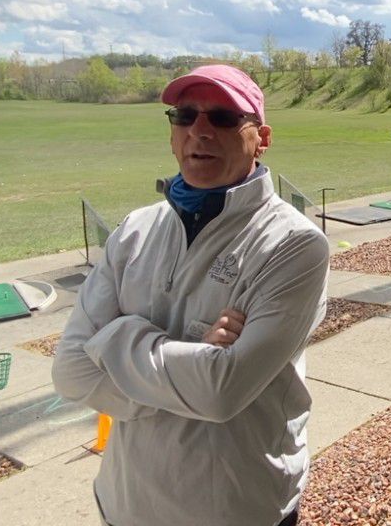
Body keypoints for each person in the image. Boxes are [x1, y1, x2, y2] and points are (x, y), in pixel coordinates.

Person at [52, 64, 329, 526]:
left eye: (222, 117)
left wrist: (115, 339)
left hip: (237, 506)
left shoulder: (293, 244)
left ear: (261, 138)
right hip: (126, 501)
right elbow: (71, 372)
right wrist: (195, 356)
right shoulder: (134, 230)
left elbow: (222, 393)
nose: (199, 130)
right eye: (184, 115)